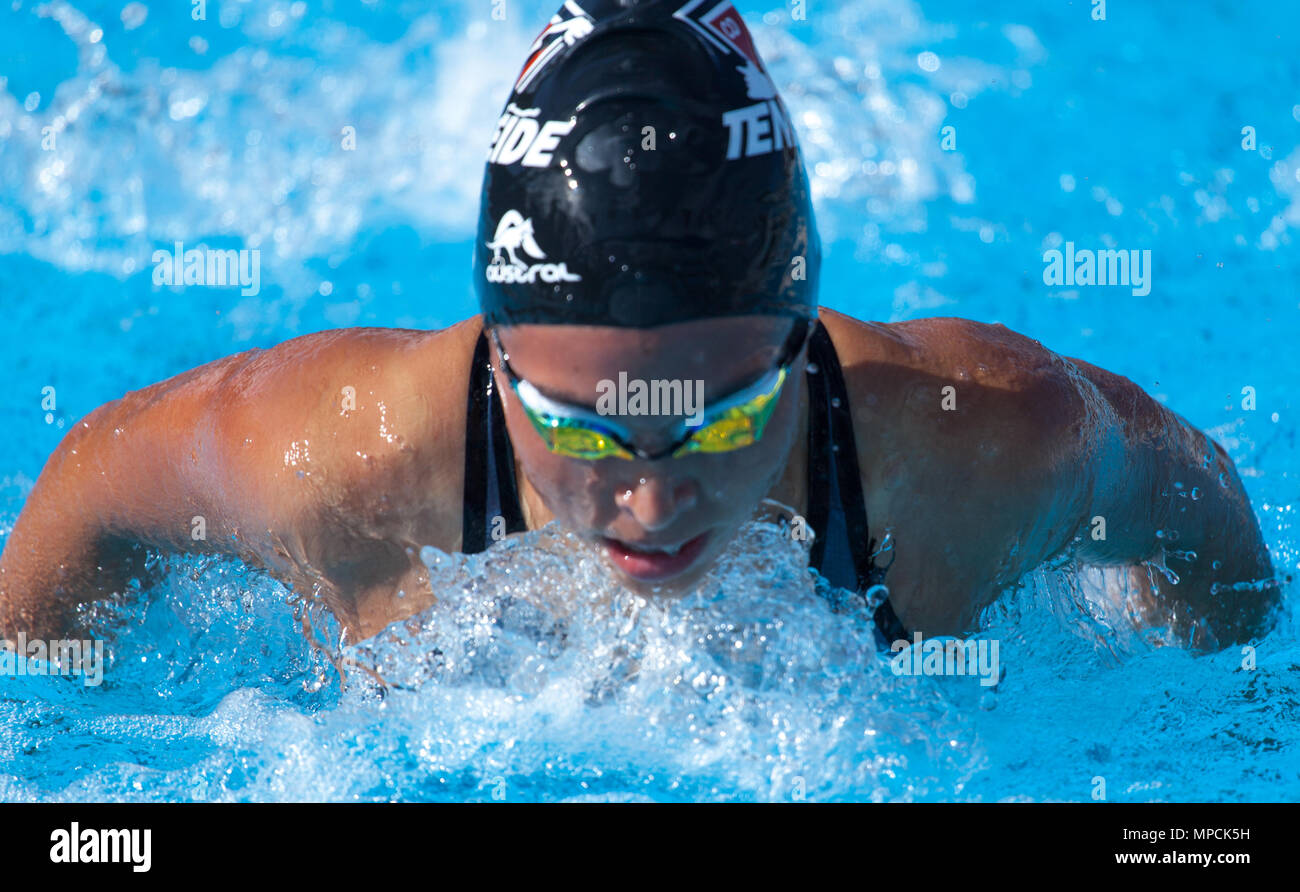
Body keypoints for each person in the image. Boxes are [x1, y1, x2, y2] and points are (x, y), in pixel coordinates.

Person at [0, 0, 1279, 652]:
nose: (651, 500)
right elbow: (85, 493)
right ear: (497, 355)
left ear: (798, 341)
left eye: (722, 415)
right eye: (583, 425)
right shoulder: (337, 465)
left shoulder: (977, 452)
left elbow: (1208, 521)